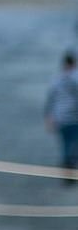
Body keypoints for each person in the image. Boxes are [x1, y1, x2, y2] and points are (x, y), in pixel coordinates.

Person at [44, 51, 78, 183]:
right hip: (75, 118)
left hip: (61, 118)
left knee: (65, 145)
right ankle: (71, 174)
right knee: (74, 146)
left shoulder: (56, 80)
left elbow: (50, 100)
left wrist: (48, 118)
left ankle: (66, 175)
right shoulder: (76, 77)